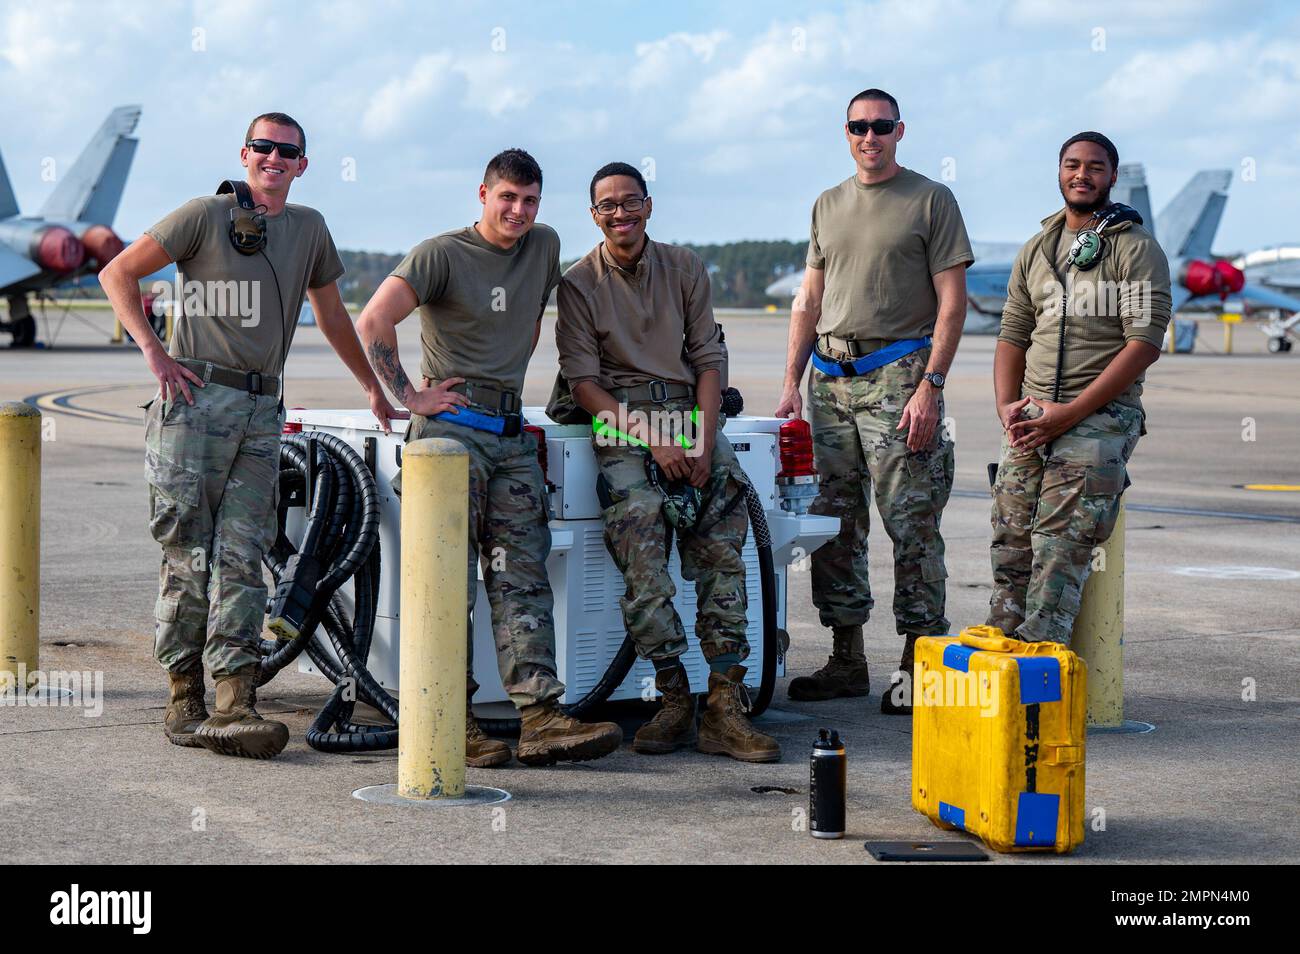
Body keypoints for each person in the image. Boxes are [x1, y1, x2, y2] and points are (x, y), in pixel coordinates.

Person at [101, 112, 404, 758]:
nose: (273, 157)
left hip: (263, 413)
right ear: (245, 154)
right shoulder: (203, 216)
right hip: (194, 404)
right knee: (190, 555)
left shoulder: (309, 230)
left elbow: (332, 318)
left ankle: (236, 698)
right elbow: (117, 275)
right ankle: (185, 695)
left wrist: (376, 389)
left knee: (244, 558)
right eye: (262, 147)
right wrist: (154, 353)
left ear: (302, 163)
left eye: (286, 151)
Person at [356, 148, 622, 767]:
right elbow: (374, 321)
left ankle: (540, 717)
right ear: (483, 195)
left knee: (521, 577)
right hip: (449, 435)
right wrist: (409, 395)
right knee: (448, 584)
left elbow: (534, 320)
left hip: (509, 434)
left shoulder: (545, 244)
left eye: (529, 200)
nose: (519, 211)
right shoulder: (441, 254)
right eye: (507, 198)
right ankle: (453, 723)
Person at [556, 162, 780, 762]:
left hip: (690, 416)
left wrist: (704, 441)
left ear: (649, 206)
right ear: (594, 214)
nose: (620, 214)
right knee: (642, 554)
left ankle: (725, 704)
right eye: (607, 205)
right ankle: (674, 697)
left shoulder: (685, 267)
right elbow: (583, 386)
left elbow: (709, 359)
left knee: (722, 556)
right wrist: (653, 442)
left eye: (631, 202)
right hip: (623, 425)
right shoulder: (578, 285)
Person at [775, 88, 973, 713]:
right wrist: (790, 385)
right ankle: (847, 658)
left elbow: (952, 301)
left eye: (882, 126)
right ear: (846, 132)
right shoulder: (827, 204)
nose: (870, 136)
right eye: (859, 126)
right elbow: (809, 300)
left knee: (910, 521)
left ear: (899, 130)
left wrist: (931, 386)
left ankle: (921, 665)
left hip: (899, 377)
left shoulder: (930, 199)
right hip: (829, 380)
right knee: (833, 525)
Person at [988, 131, 1171, 644]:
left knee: (1060, 545)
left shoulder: (1135, 250)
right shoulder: (1038, 248)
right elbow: (1012, 333)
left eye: (1095, 166)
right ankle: (1003, 635)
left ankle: (1042, 649)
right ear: (1059, 171)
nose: (1082, 174)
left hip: (1100, 416)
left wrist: (1068, 414)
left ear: (1112, 176)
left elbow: (1144, 343)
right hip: (1030, 416)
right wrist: (1007, 406)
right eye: (1072, 164)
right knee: (1010, 533)